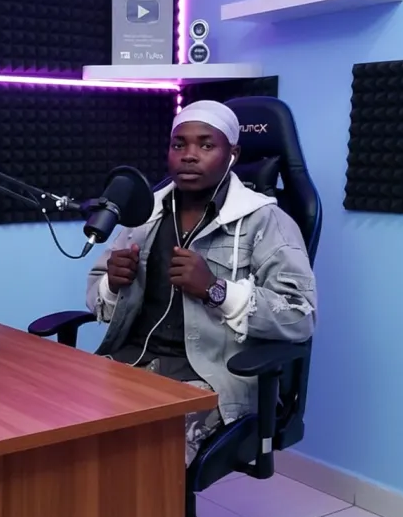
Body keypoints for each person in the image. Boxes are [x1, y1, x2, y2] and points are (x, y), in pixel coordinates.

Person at [86, 100, 317, 466]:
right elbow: (96, 293)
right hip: (131, 363)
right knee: (57, 427)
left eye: (206, 145)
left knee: (143, 455)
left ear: (233, 154)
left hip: (213, 378)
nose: (190, 155)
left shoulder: (265, 220)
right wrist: (113, 284)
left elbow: (299, 316)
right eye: (180, 145)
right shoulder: (144, 215)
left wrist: (216, 290)